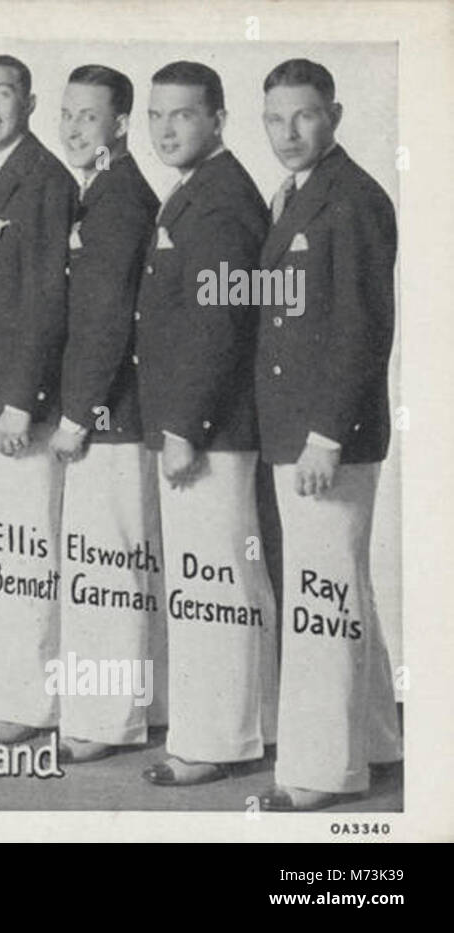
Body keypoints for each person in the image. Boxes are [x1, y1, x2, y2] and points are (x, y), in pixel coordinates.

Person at [254, 58, 403, 810]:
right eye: (275, 118)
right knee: (340, 585)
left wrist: (325, 435)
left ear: (334, 115)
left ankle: (321, 769)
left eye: (304, 116)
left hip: (325, 433)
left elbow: (362, 329)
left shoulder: (354, 200)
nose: (288, 132)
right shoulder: (303, 194)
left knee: (321, 595)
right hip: (299, 426)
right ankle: (376, 740)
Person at [135, 62, 279, 787]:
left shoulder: (220, 201)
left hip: (212, 429)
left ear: (218, 119)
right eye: (157, 115)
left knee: (212, 587)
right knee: (222, 582)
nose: (166, 128)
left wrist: (186, 424)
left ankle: (217, 742)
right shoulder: (198, 189)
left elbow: (219, 324)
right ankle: (246, 726)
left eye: (184, 115)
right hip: (206, 423)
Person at [50, 65, 166, 761]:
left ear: (120, 125)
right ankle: (116, 712)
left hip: (113, 416)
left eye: (88, 117)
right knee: (109, 566)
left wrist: (77, 414)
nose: (71, 127)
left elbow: (105, 321)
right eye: (66, 114)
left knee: (108, 571)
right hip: (110, 414)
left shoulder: (119, 198)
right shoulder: (101, 189)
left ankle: (105, 722)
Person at [0, 54, 78, 745]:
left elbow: (46, 299)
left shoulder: (41, 180)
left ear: (29, 101)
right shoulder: (0, 175)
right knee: (11, 551)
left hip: (22, 402)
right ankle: (14, 693)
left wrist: (20, 400)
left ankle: (32, 704)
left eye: (1, 93)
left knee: (26, 552)